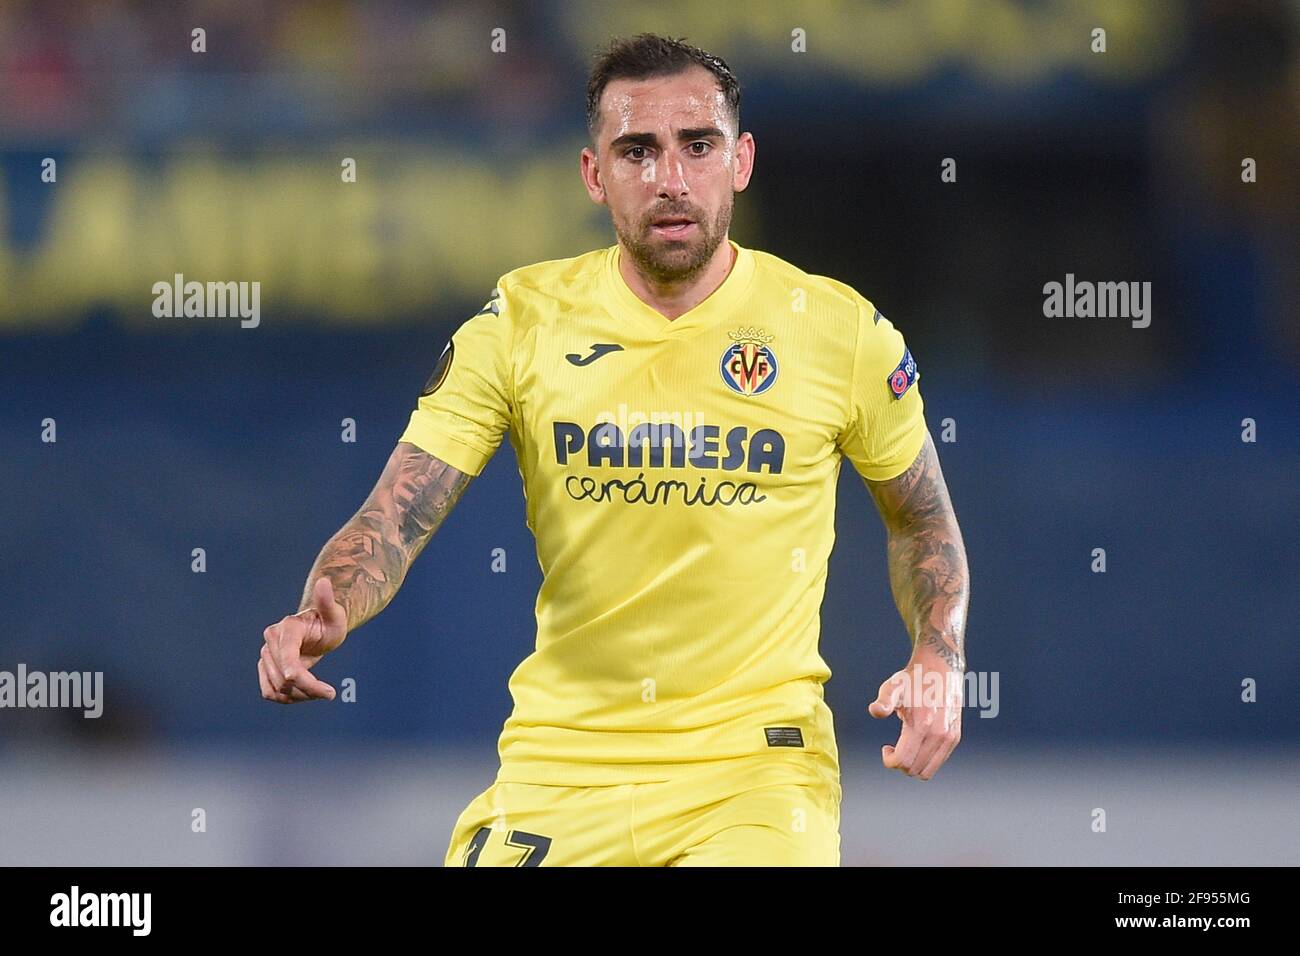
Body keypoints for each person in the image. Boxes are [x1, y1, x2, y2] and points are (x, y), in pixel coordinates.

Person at [258, 33, 969, 867]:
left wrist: (939, 653)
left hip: (755, 773)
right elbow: (397, 514)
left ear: (739, 161)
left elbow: (922, 519)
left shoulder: (841, 333)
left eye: (696, 146)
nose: (671, 179)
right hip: (561, 766)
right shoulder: (521, 324)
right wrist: (325, 603)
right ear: (595, 176)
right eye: (638, 151)